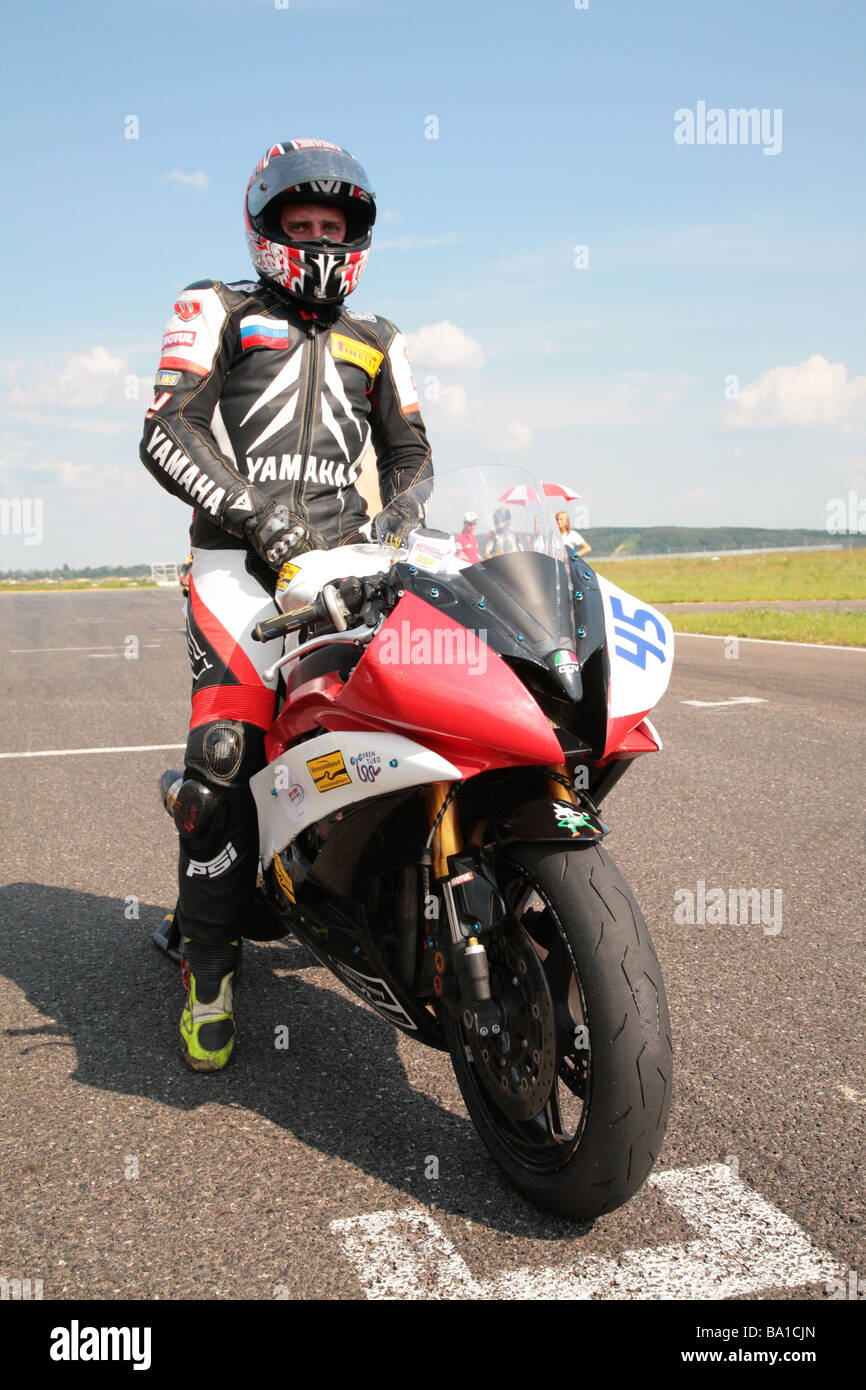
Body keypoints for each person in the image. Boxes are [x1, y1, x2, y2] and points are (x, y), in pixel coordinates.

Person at [139, 138, 432, 1072]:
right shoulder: (216, 307)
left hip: (345, 561)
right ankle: (209, 964)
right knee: (225, 753)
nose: (315, 240)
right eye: (299, 225)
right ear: (266, 231)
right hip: (237, 567)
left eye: (330, 227)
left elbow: (412, 457)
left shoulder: (381, 339)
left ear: (357, 237)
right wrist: (259, 522)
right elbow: (165, 430)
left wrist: (399, 528)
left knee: (413, 711)